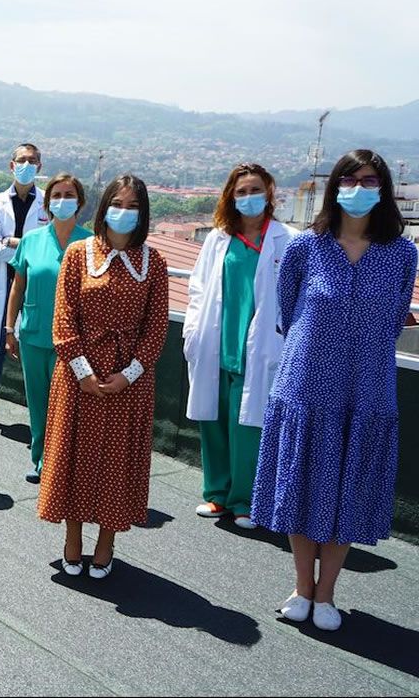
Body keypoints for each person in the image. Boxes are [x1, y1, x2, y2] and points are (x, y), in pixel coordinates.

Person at [252, 149, 417, 632]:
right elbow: (288, 310)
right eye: (350, 179)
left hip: (367, 388)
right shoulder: (307, 246)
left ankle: (328, 595)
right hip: (306, 383)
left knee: (347, 488)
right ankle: (302, 588)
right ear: (335, 187)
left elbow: (393, 319)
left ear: (384, 188)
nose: (359, 188)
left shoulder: (402, 253)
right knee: (303, 484)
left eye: (370, 180)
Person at [37, 174, 169, 580]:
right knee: (75, 459)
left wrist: (129, 374)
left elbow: (156, 328)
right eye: (117, 203)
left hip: (128, 383)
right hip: (79, 378)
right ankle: (73, 539)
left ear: (143, 213)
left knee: (117, 461)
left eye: (133, 206)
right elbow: (63, 318)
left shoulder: (155, 262)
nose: (124, 213)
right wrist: (83, 372)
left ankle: (106, 544)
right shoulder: (78, 255)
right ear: (103, 206)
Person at [183, 163, 292, 529]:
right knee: (213, 422)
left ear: (270, 193)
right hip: (217, 343)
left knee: (249, 429)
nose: (249, 198)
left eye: (255, 190)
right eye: (241, 191)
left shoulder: (285, 239)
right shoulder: (218, 238)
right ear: (231, 196)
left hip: (261, 349)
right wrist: (193, 332)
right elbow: (199, 288)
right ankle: (216, 496)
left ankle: (246, 502)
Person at [4, 173, 93, 484]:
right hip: (32, 335)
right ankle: (40, 459)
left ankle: (64, 464)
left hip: (73, 342)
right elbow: (18, 286)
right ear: (47, 203)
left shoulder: (90, 243)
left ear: (79, 202)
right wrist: (9, 328)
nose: (62, 201)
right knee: (38, 404)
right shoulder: (31, 240)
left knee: (67, 408)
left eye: (69, 195)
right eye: (56, 195)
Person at [0, 143, 49, 430]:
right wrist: (27, 247)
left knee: (33, 348)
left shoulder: (47, 202)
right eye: (21, 160)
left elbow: (49, 244)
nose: (26, 165)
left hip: (34, 285)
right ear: (11, 165)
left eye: (32, 161)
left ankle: (41, 412)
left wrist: (13, 242)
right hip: (2, 282)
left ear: (39, 166)